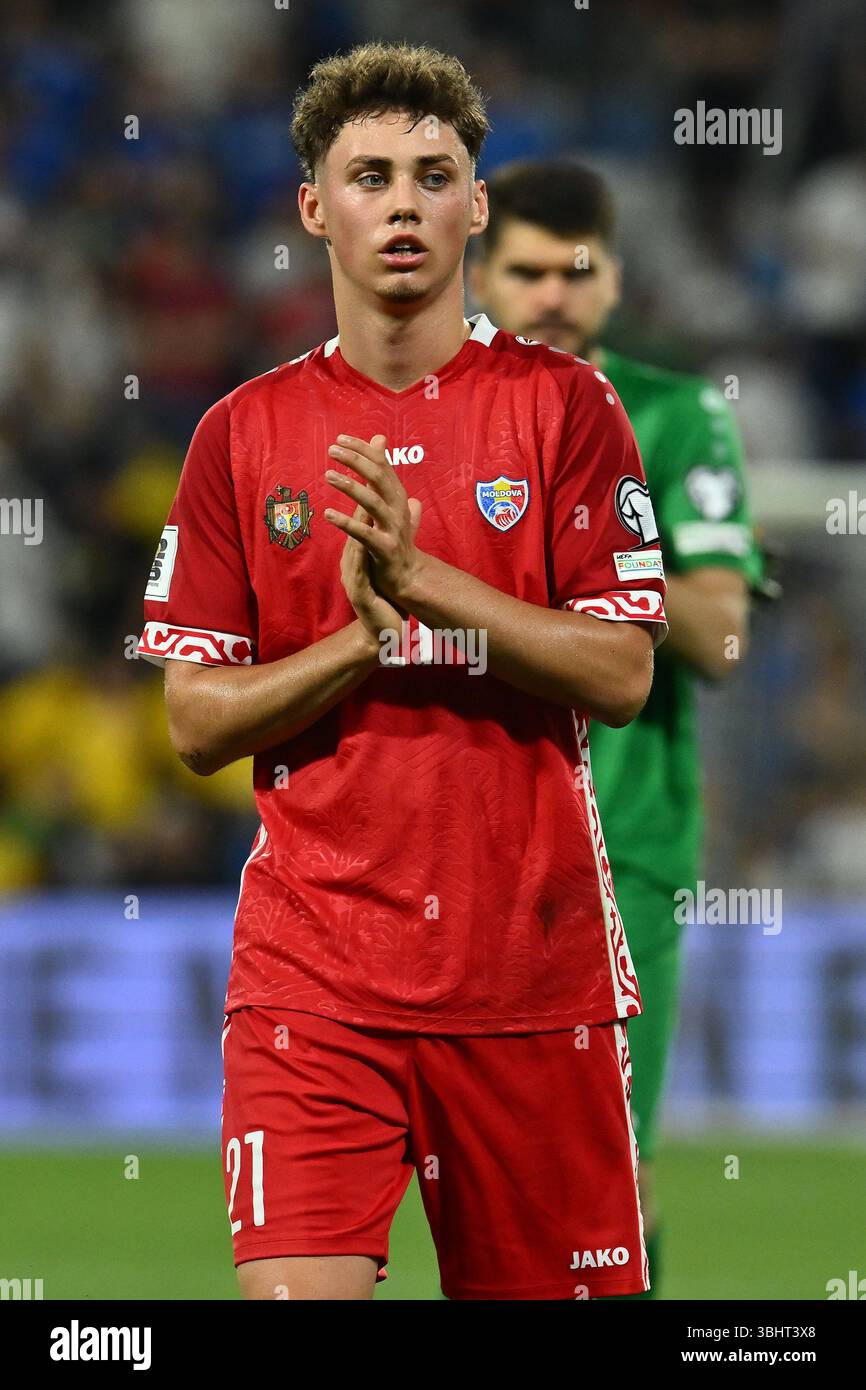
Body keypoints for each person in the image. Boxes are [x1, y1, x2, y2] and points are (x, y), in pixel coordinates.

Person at [138, 46, 667, 1301]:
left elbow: (624, 670)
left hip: (534, 984)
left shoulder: (566, 410)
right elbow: (195, 719)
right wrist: (355, 641)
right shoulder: (241, 435)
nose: (403, 202)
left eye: (434, 175)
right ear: (316, 207)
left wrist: (430, 587)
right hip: (314, 981)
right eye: (368, 175)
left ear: (474, 205)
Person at [472, 158, 763, 1297]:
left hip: (617, 850)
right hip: (455, 846)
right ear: (480, 275)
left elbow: (723, 641)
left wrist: (572, 574)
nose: (550, 293)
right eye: (526, 271)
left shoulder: (675, 416)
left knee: (605, 1170)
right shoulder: (435, 411)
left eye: (573, 272)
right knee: (468, 1174)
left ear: (613, 278)